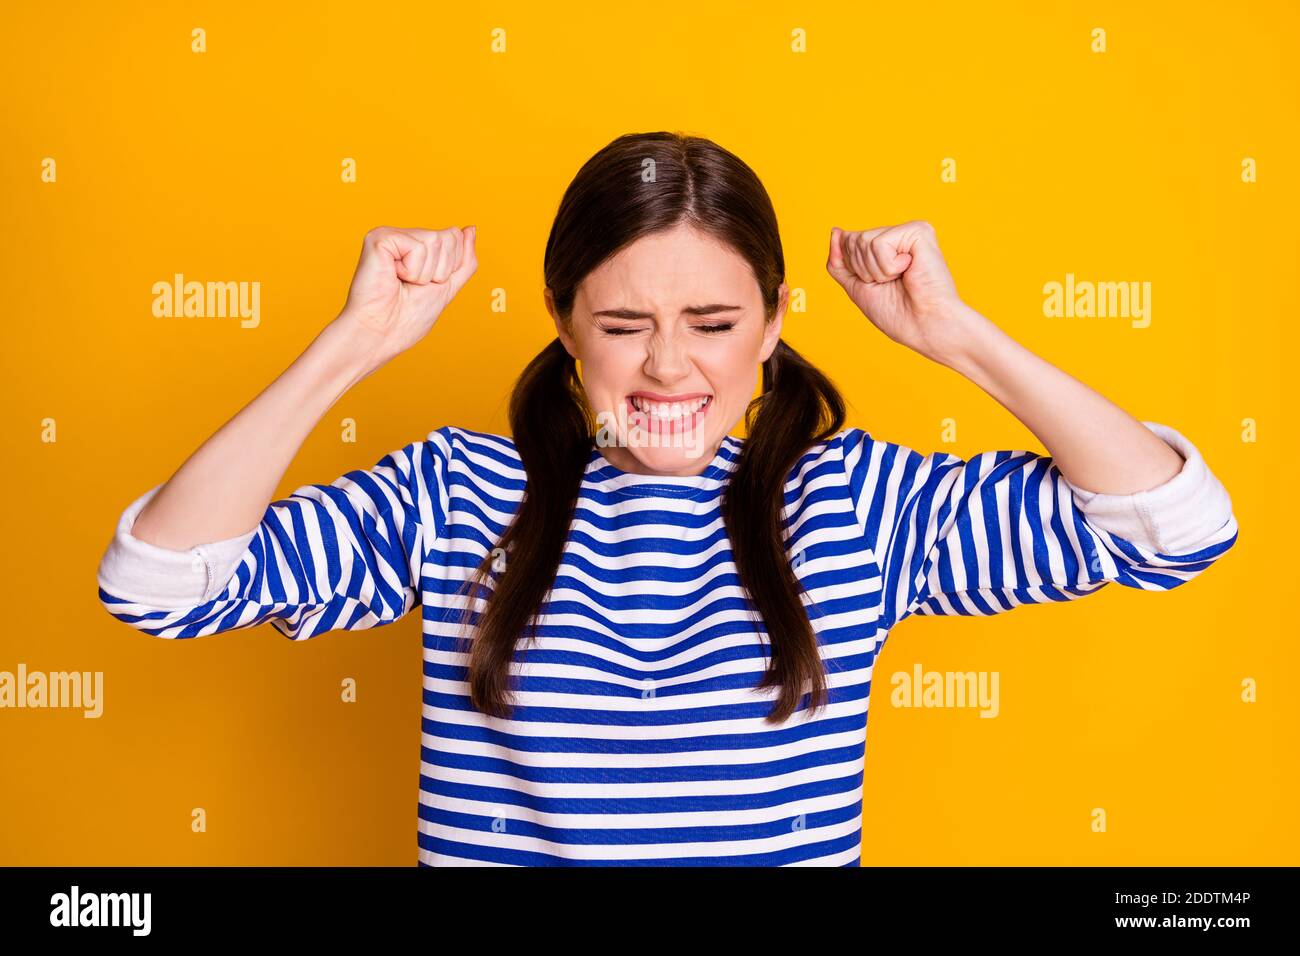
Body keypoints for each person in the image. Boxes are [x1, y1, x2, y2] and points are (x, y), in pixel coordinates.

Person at [96, 131, 1238, 866]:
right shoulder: (458, 494)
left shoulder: (851, 505)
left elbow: (1173, 524)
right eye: (623, 324)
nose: (667, 370)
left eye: (713, 324)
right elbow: (158, 583)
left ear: (777, 321)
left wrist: (957, 337)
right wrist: (350, 348)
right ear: (562, 321)